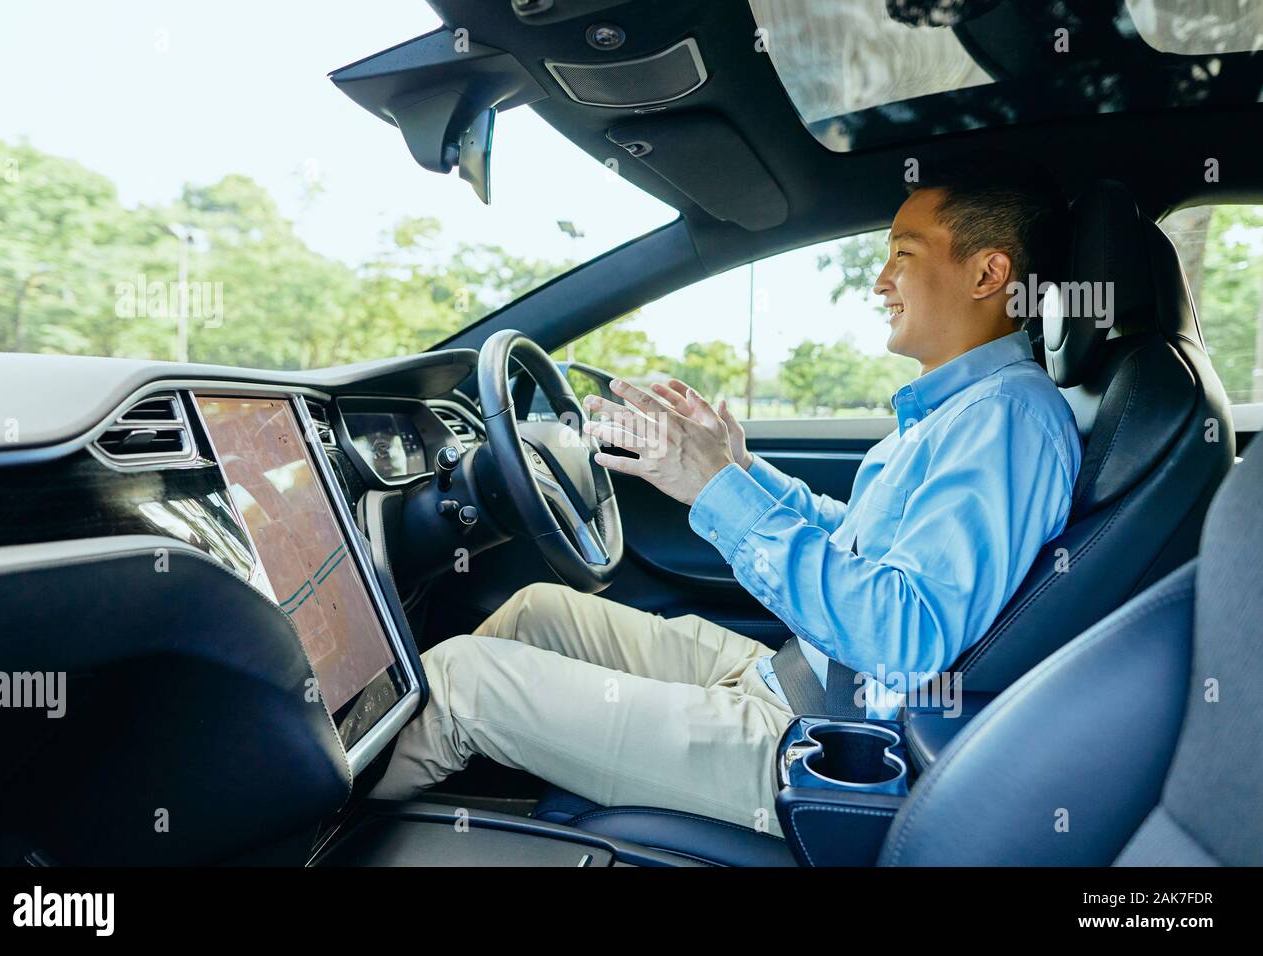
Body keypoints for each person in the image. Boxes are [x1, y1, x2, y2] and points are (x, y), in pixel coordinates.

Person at [374, 158, 1082, 836]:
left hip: (822, 750)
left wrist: (713, 488)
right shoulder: (960, 412)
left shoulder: (1007, 421)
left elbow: (906, 639)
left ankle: (303, 827)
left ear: (989, 272)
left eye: (903, 254)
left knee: (461, 681)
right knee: (534, 612)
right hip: (788, 677)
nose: (880, 281)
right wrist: (736, 471)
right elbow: (860, 544)